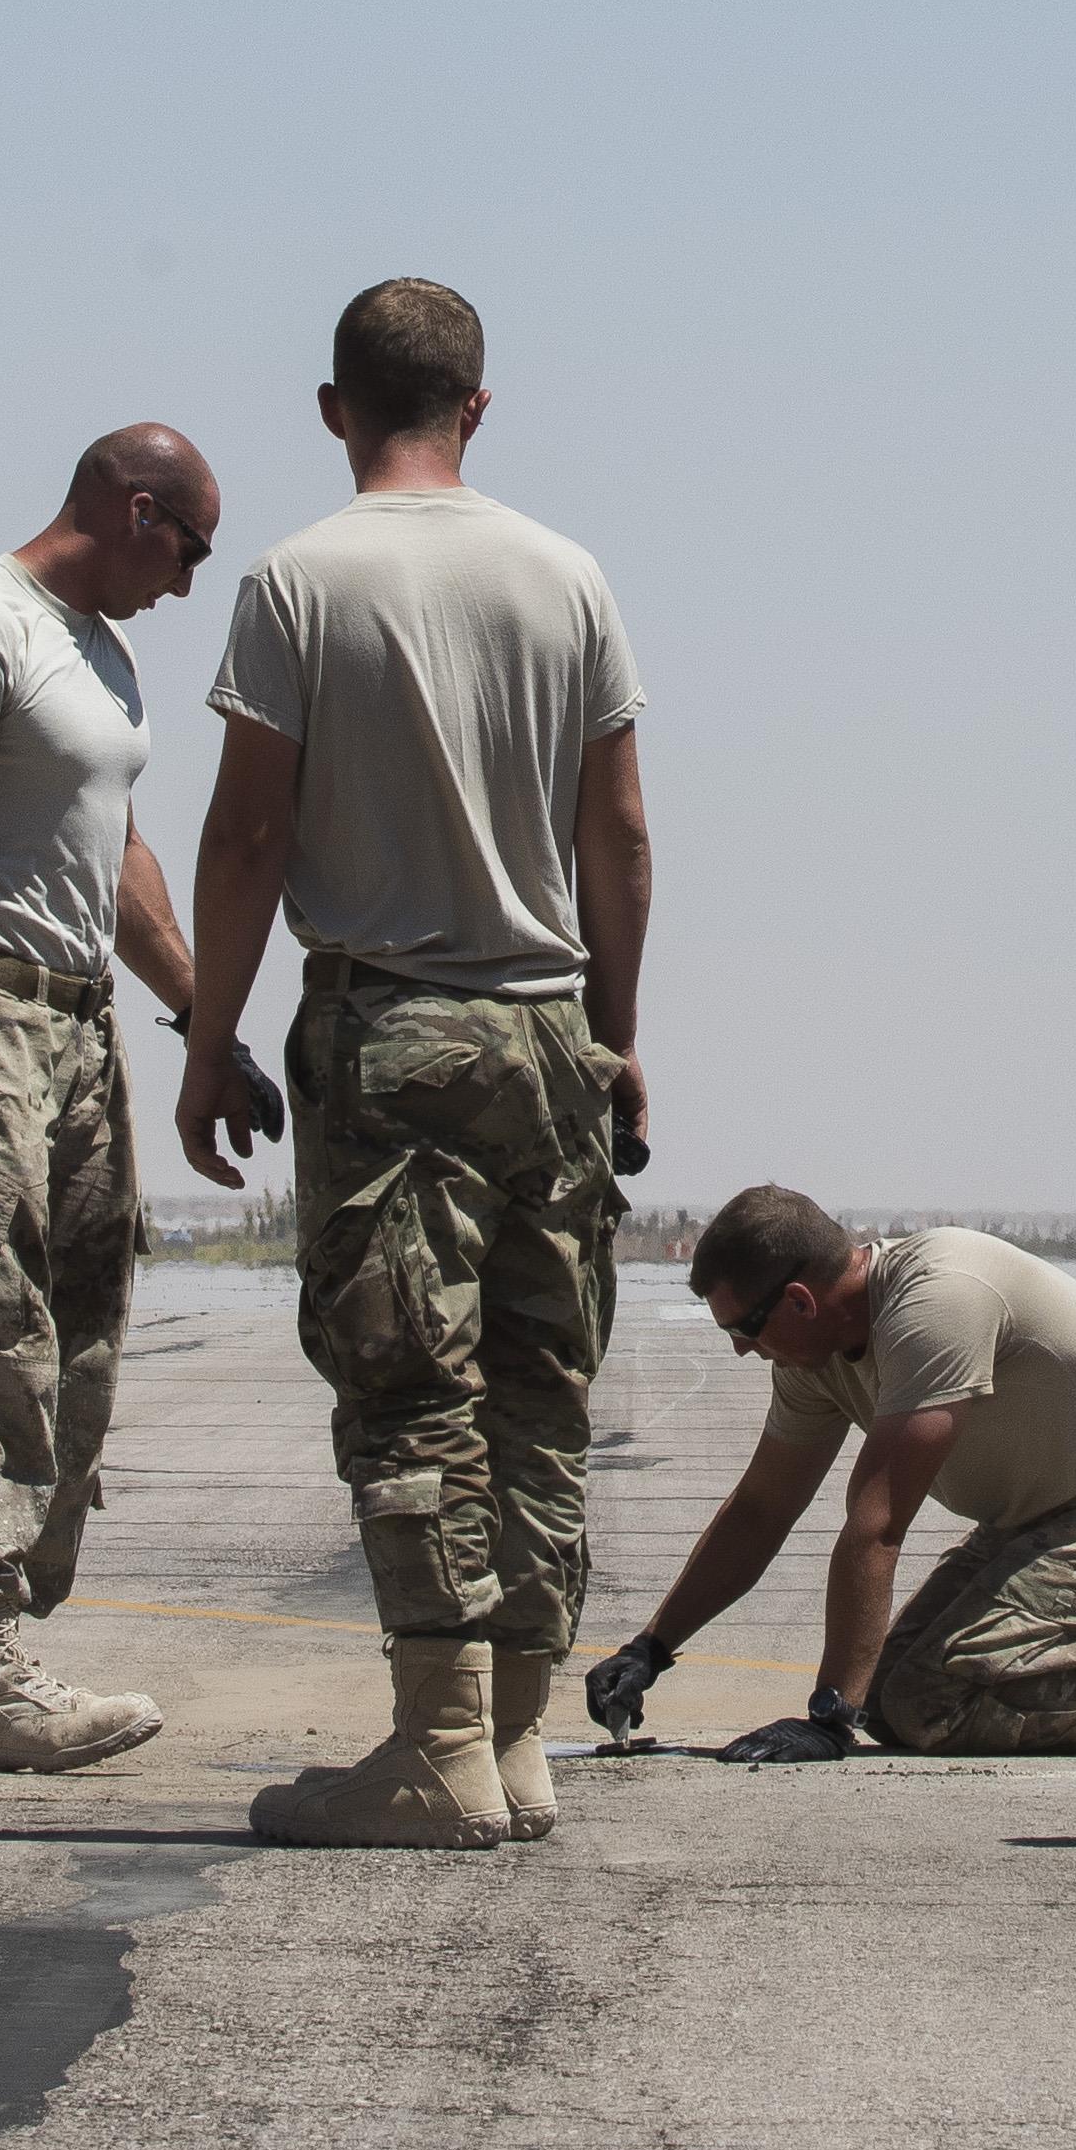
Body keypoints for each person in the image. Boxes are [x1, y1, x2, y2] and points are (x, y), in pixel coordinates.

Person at [178, 278, 653, 1852]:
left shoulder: (299, 579)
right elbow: (620, 836)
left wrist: (204, 1040)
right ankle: (514, 1737)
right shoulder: (566, 575)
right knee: (536, 1382)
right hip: (544, 1026)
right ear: (480, 403)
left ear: (333, 407)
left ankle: (439, 1745)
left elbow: (247, 830)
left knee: (407, 1387)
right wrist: (617, 1031)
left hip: (393, 1027)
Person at [0, 426, 227, 1772]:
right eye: (186, 547)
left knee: (79, 1332)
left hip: (80, 1022)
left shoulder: (106, 659)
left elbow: (115, 851)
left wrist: (206, 1020)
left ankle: (18, 1632)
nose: (187, 581)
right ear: (135, 509)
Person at [584, 1193, 1076, 1759]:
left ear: (797, 1299)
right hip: (1066, 1513)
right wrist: (651, 1648)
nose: (740, 1351)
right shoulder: (813, 1356)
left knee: (936, 1702)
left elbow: (878, 1521)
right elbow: (760, 1510)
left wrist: (827, 1717)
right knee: (895, 1697)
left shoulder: (934, 1296)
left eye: (744, 1329)